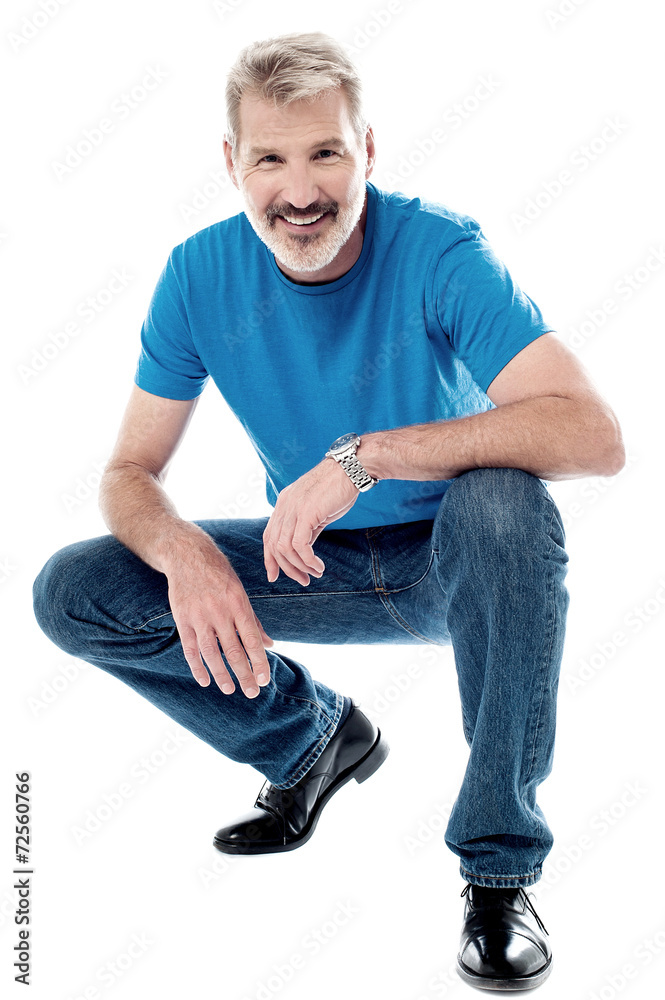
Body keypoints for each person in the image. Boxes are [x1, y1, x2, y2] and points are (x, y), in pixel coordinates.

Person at [33, 31, 624, 991]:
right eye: (270, 158)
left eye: (326, 153)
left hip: (460, 558)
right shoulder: (197, 276)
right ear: (232, 163)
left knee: (503, 502)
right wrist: (182, 549)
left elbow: (593, 435)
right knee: (77, 588)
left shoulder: (438, 249)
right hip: (311, 566)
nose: (301, 191)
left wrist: (364, 458)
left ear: (368, 151)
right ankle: (311, 742)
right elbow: (128, 471)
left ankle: (499, 874)